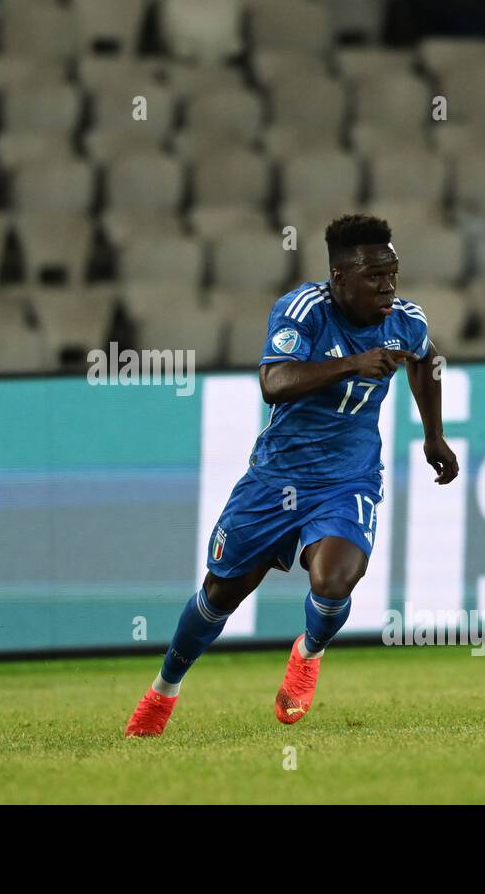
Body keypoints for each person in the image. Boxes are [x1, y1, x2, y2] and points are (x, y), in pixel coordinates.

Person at [124, 214, 460, 737]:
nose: (388, 285)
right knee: (220, 594)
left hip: (347, 481)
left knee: (334, 580)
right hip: (275, 480)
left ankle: (309, 651)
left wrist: (433, 434)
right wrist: (352, 364)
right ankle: (163, 690)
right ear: (341, 277)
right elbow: (274, 382)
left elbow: (427, 361)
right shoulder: (303, 310)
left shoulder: (404, 319)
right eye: (375, 275)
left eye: (392, 272)